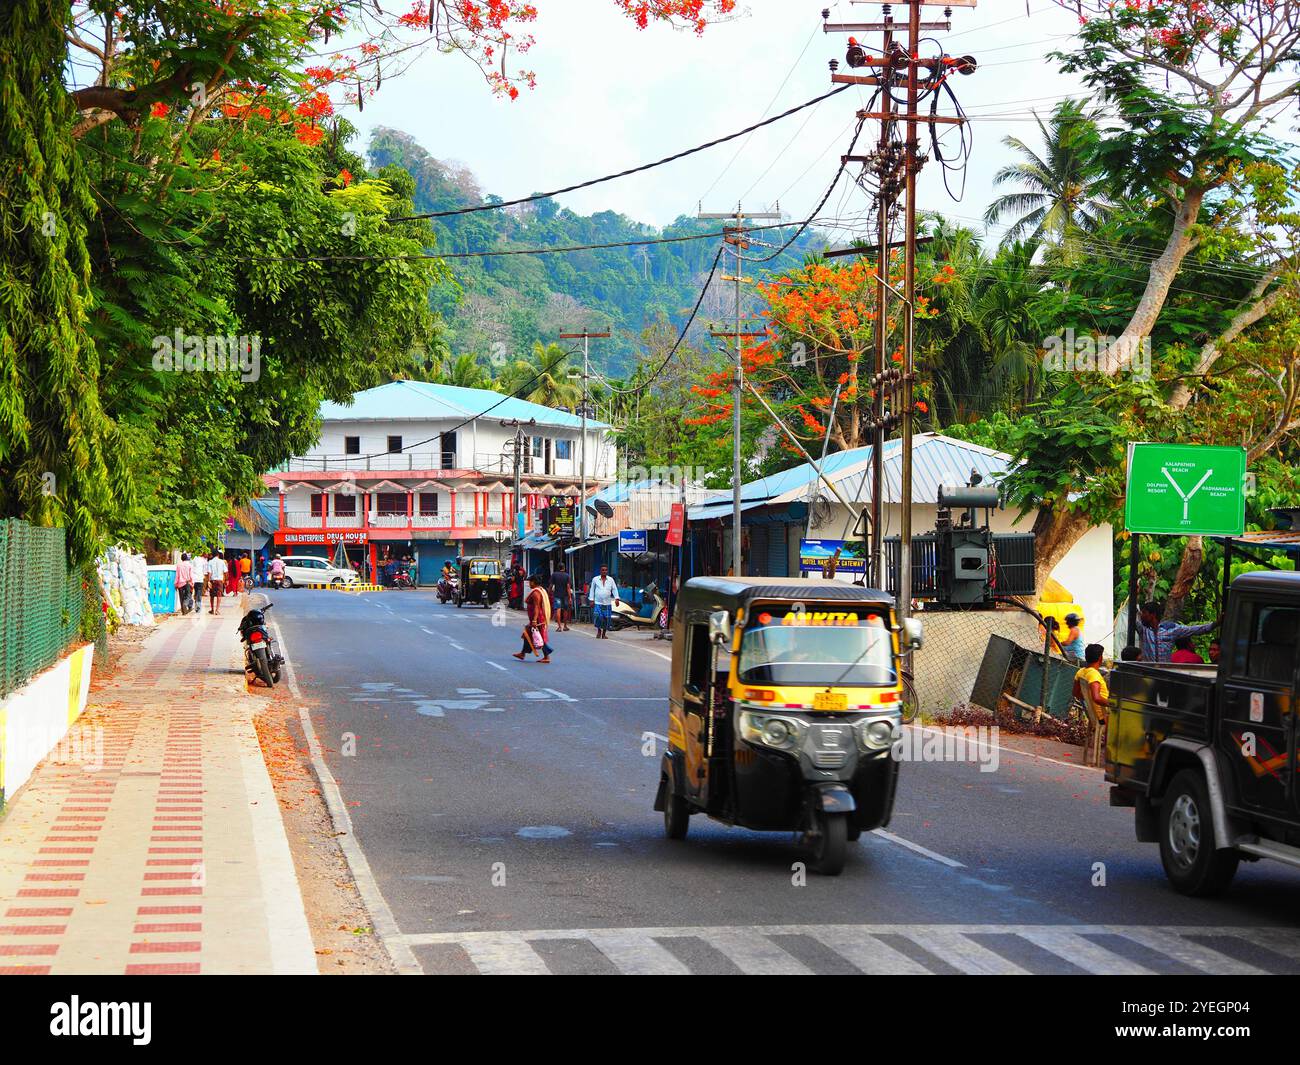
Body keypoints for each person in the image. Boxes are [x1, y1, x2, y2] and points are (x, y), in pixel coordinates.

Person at [1137, 600, 1217, 663]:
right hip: (1148, 671)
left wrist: (1216, 623)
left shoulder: (1170, 630)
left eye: (1144, 613)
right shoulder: (1144, 630)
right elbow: (1133, 617)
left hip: (1164, 672)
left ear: (1153, 614)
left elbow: (1194, 630)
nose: (1142, 615)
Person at [513, 574, 553, 663]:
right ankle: (522, 653)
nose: (529, 584)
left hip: (537, 618)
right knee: (528, 634)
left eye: (530, 582)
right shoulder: (540, 590)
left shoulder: (536, 593)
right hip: (536, 618)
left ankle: (546, 656)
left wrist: (534, 620)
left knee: (539, 637)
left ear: (534, 582)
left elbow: (537, 607)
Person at [1072, 643, 1110, 715]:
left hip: (1093, 713)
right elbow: (1096, 698)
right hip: (1103, 715)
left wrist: (1089, 700)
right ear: (1100, 658)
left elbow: (1075, 693)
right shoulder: (1094, 675)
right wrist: (1113, 705)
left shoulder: (1080, 672)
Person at [589, 564, 620, 640]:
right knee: (598, 617)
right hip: (598, 602)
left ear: (607, 571)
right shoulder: (595, 579)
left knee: (607, 618)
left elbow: (614, 589)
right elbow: (592, 589)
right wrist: (591, 600)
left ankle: (604, 634)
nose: (604, 571)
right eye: (603, 570)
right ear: (600, 571)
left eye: (605, 570)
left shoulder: (611, 580)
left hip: (607, 602)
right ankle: (599, 631)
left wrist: (617, 598)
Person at [549, 564, 572, 632]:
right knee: (565, 610)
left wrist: (549, 592)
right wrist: (570, 597)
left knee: (558, 609)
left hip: (557, 595)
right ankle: (565, 626)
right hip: (565, 596)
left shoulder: (554, 575)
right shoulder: (567, 575)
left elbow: (551, 585)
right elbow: (568, 587)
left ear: (558, 568)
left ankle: (559, 627)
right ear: (564, 568)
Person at [208, 550, 228, 614]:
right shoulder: (222, 562)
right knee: (219, 595)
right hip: (219, 581)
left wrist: (208, 581)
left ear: (212, 555)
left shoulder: (210, 562)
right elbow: (225, 572)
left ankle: (212, 609)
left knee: (212, 596)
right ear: (218, 555)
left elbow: (209, 573)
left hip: (213, 580)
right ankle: (217, 610)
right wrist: (226, 580)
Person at [192, 550, 208, 618]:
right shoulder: (203, 560)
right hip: (200, 579)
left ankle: (196, 605)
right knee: (199, 593)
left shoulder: (193, 559)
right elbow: (205, 571)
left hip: (194, 579)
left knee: (196, 592)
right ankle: (198, 606)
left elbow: (191, 568)